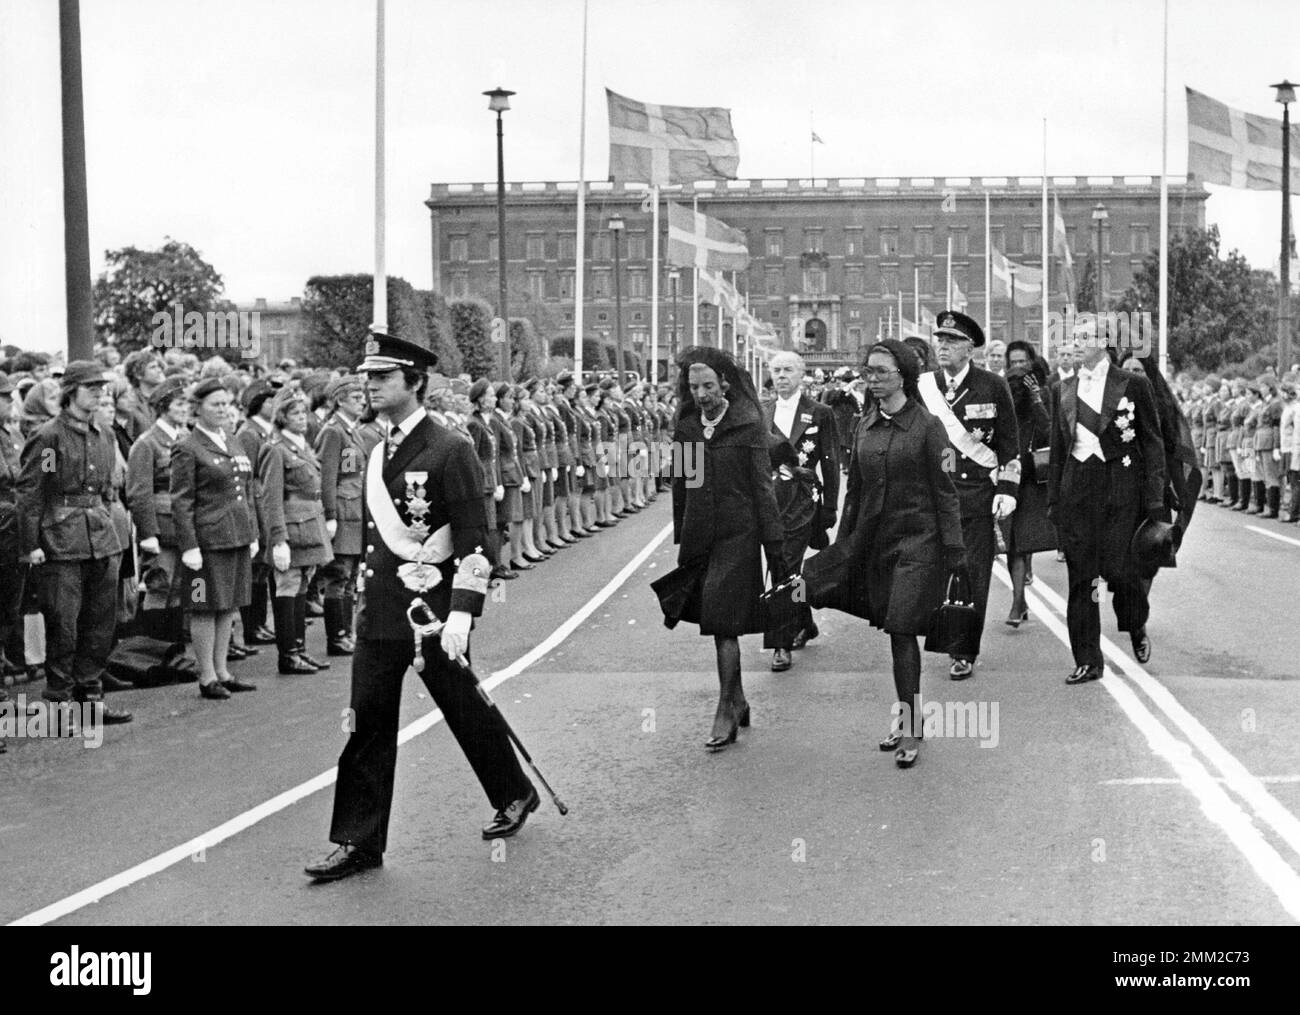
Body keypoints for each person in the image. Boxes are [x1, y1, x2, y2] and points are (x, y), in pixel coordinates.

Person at [306, 333, 537, 882]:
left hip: (433, 612)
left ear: (415, 382)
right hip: (384, 609)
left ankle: (513, 791)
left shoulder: (450, 448)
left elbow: (477, 538)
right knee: (367, 721)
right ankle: (359, 842)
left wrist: (463, 611)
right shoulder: (378, 448)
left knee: (463, 709)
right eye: (367, 376)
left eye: (383, 377)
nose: (370, 385)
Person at [830, 339, 964, 768]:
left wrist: (955, 550)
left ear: (902, 376)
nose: (871, 379)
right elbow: (856, 492)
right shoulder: (863, 426)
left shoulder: (929, 427)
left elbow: (947, 491)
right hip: (879, 544)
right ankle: (911, 711)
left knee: (903, 627)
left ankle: (909, 725)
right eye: (867, 371)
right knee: (893, 631)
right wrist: (843, 543)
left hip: (919, 543)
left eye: (880, 372)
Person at [666, 346, 785, 752]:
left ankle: (725, 708)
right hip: (702, 536)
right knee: (718, 619)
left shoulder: (749, 425)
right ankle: (739, 699)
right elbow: (682, 486)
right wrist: (683, 537)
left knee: (722, 620)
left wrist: (776, 547)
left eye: (709, 386)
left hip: (740, 535)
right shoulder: (686, 426)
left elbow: (763, 489)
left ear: (726, 385)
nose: (701, 394)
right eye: (694, 387)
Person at [1046, 325, 1166, 682]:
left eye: (1083, 339)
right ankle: (1087, 660)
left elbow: (1153, 443)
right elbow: (1057, 451)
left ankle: (1135, 622)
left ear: (1102, 343)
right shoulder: (1062, 390)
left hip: (1122, 491)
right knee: (1083, 580)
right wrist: (1054, 500)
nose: (1076, 345)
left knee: (1120, 571)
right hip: (1078, 492)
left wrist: (1156, 499)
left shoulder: (1133, 384)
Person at [17, 361, 131, 723]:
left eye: (101, 387)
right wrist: (30, 543)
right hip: (61, 538)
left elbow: (110, 491)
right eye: (90, 387)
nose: (99, 392)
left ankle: (90, 696)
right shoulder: (50, 436)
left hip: (101, 535)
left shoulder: (105, 434)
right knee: (63, 623)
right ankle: (60, 701)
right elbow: (33, 491)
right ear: (70, 392)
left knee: (100, 623)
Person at [917, 311, 1019, 681]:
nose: (942, 346)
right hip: (933, 494)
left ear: (969, 348)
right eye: (939, 340)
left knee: (973, 574)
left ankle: (963, 649)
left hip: (976, 493)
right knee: (936, 570)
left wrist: (1007, 488)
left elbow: (1009, 444)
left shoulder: (992, 385)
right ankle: (939, 630)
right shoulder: (922, 385)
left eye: (951, 341)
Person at [171, 378, 260, 697]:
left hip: (235, 534)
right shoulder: (187, 445)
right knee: (205, 606)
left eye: (226, 403)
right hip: (207, 539)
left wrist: (252, 532)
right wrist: (189, 545)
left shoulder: (231, 440)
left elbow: (246, 490)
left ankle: (223, 670)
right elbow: (182, 500)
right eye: (215, 404)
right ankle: (207, 676)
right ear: (198, 409)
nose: (223, 409)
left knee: (229, 605)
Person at [761, 351, 840, 672]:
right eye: (777, 370)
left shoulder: (819, 412)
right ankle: (804, 621)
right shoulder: (761, 411)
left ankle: (780, 641)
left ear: (801, 374)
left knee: (784, 567)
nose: (782, 376)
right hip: (768, 502)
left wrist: (831, 506)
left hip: (802, 500)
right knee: (783, 567)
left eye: (788, 370)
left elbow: (832, 462)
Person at [259, 387, 334, 674]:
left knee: (303, 584)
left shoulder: (301, 446)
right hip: (292, 529)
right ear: (281, 417)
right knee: (288, 586)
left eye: (303, 412)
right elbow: (271, 497)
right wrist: (278, 539)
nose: (302, 418)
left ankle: (299, 649)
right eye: (294, 413)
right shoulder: (275, 449)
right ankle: (288, 653)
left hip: (309, 526)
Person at [1001, 341, 1056, 626]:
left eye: (1023, 362)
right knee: (1012, 544)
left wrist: (1035, 400)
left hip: (1032, 475)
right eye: (1013, 362)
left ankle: (1017, 602)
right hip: (1007, 475)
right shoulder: (1002, 390)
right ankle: (1019, 599)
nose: (1018, 368)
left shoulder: (1043, 393)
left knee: (1022, 540)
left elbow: (1049, 432)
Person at [315, 375, 368, 656]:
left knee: (350, 578)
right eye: (355, 397)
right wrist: (330, 514)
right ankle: (336, 637)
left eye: (362, 396)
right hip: (343, 510)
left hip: (355, 509)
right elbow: (327, 477)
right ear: (339, 400)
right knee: (339, 575)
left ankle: (347, 632)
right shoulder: (333, 432)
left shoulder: (351, 429)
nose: (362, 401)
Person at [234, 380, 278, 646]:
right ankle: (252, 626)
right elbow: (247, 477)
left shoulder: (264, 431)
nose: (273, 405)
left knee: (262, 569)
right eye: (268, 401)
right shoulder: (249, 433)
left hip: (265, 501)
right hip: (256, 501)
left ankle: (260, 623)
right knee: (254, 570)